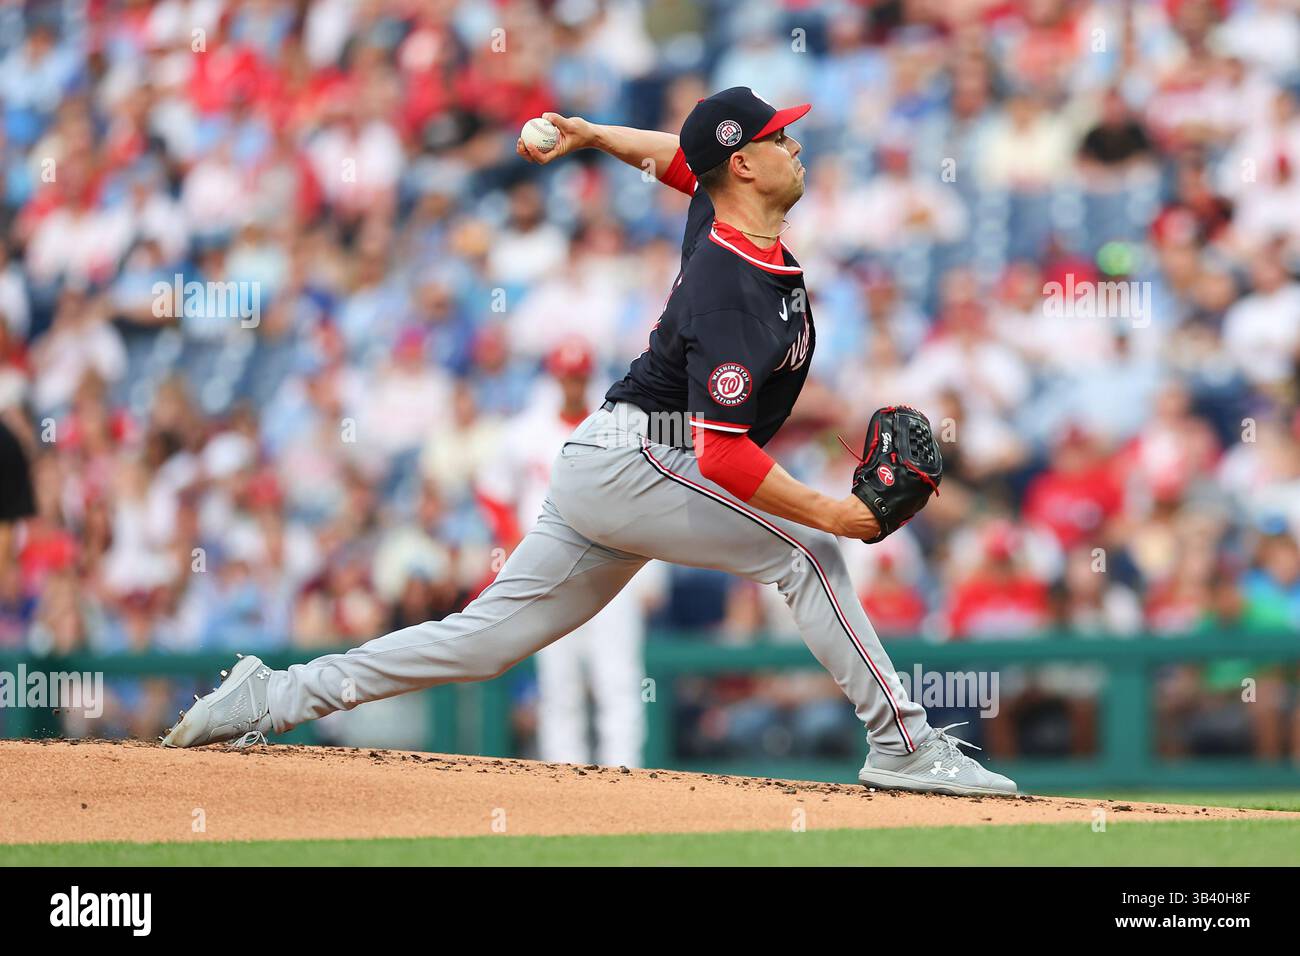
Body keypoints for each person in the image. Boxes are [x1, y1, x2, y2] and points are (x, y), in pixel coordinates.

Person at [163, 88, 1015, 796]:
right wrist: (837, 512)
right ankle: (902, 745)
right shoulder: (730, 282)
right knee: (808, 554)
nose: (798, 145)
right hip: (645, 456)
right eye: (779, 136)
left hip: (617, 466)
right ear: (746, 166)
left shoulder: (723, 220)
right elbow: (721, 457)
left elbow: (679, 161)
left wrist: (589, 131)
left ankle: (268, 698)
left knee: (482, 641)